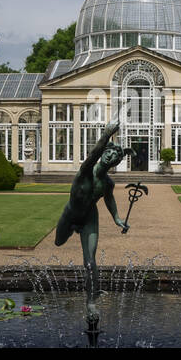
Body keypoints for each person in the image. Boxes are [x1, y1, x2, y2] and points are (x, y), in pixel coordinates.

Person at [54, 116, 133, 320]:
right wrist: (106, 135)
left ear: (116, 162)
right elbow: (93, 154)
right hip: (71, 214)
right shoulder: (86, 171)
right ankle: (72, 229)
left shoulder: (108, 183)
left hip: (90, 217)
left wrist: (117, 218)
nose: (111, 157)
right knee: (58, 241)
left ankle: (91, 303)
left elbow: (109, 199)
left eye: (115, 157)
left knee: (90, 261)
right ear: (104, 153)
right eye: (109, 153)